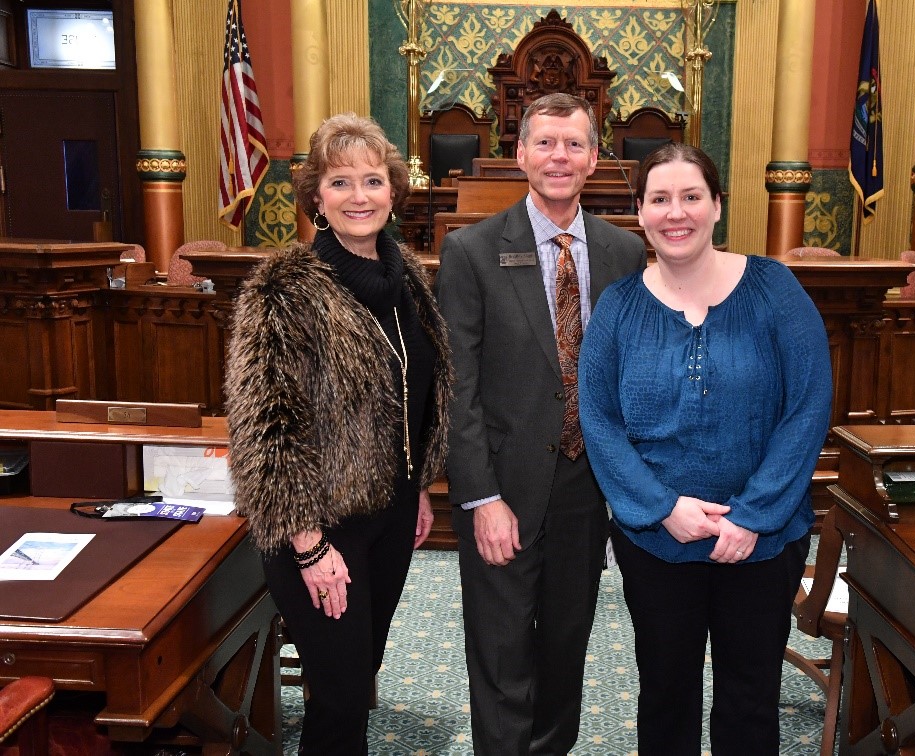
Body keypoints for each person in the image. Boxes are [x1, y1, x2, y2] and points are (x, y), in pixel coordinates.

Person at [578, 143, 833, 755]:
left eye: (691, 197)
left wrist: (754, 515)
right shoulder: (617, 309)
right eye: (659, 199)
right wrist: (664, 507)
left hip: (763, 542)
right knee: (665, 694)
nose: (676, 213)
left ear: (717, 205)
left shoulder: (775, 289)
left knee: (750, 696)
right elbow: (600, 421)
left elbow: (808, 407)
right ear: (639, 212)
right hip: (657, 542)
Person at [225, 113, 452, 755]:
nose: (360, 196)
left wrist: (421, 486)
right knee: (340, 693)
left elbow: (418, 391)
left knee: (357, 677)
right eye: (341, 182)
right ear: (316, 197)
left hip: (394, 512)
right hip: (320, 526)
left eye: (373, 181)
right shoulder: (283, 289)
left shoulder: (406, 276)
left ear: (393, 191)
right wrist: (306, 542)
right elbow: (264, 431)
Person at [434, 92, 647, 755]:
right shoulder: (470, 251)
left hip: (587, 485)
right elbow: (456, 387)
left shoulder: (624, 254)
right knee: (500, 657)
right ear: (520, 153)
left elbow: (632, 375)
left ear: (593, 159)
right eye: (546, 143)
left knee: (564, 648)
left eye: (574, 144)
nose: (560, 156)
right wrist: (480, 498)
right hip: (502, 490)